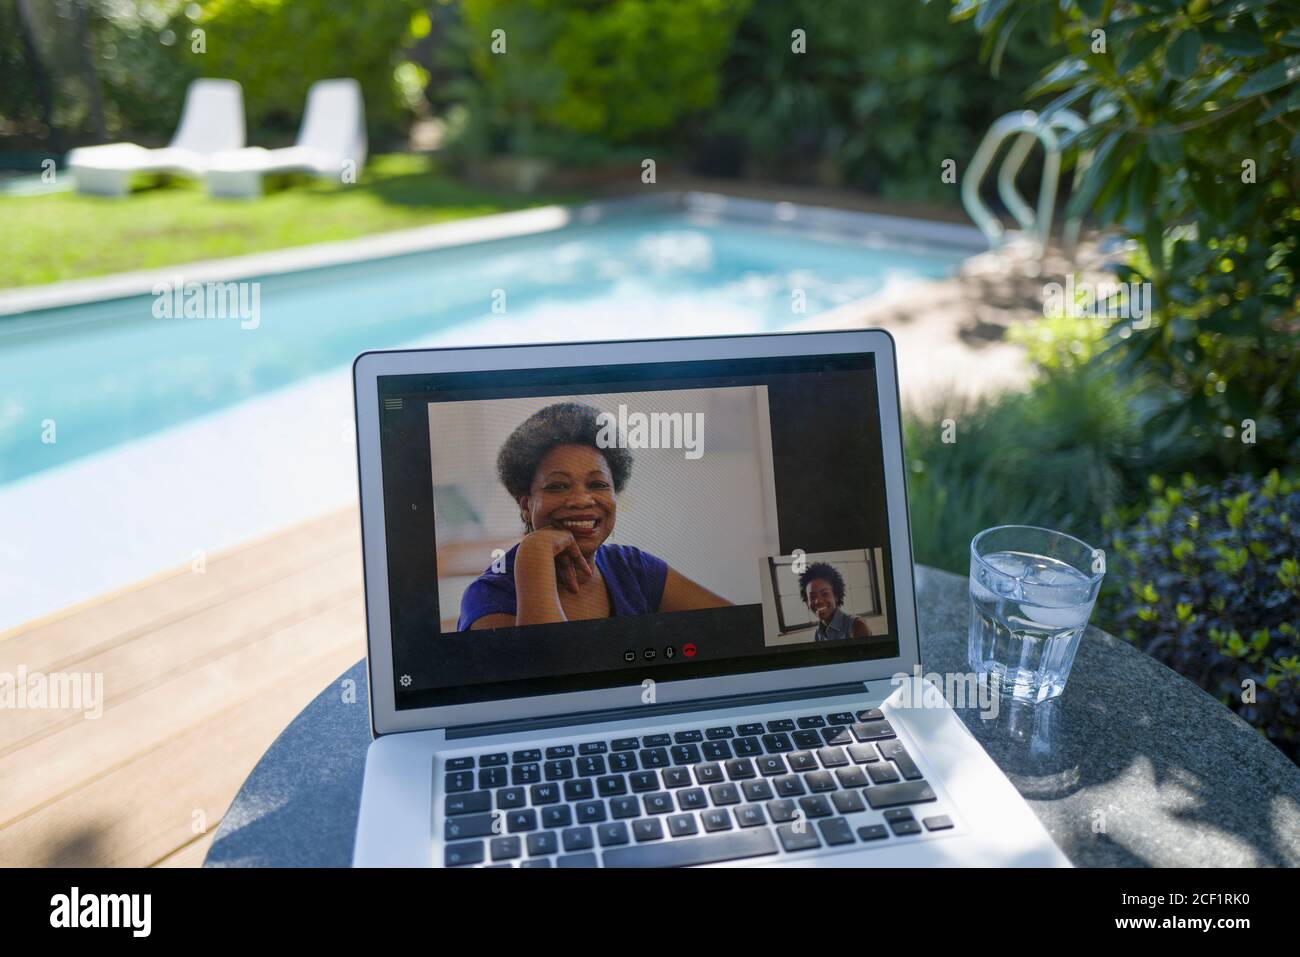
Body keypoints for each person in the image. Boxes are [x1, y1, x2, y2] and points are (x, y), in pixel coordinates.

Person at [458, 401, 731, 630]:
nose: (580, 500)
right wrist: (533, 556)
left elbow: (741, 629)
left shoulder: (634, 569)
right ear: (527, 505)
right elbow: (549, 676)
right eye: (557, 486)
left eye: (598, 485)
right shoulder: (488, 596)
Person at [798, 561, 870, 640]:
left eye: (824, 594)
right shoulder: (818, 633)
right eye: (812, 597)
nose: (818, 601)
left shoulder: (857, 626)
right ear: (807, 602)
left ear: (836, 595)